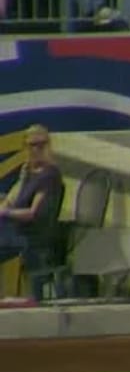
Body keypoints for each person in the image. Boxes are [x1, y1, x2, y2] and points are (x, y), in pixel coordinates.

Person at [0, 125, 65, 300]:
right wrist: (5, 206)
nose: (36, 149)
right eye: (31, 145)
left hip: (34, 234)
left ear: (48, 146)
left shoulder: (50, 175)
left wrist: (5, 212)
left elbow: (32, 213)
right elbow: (12, 198)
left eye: (41, 145)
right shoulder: (27, 171)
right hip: (16, 228)